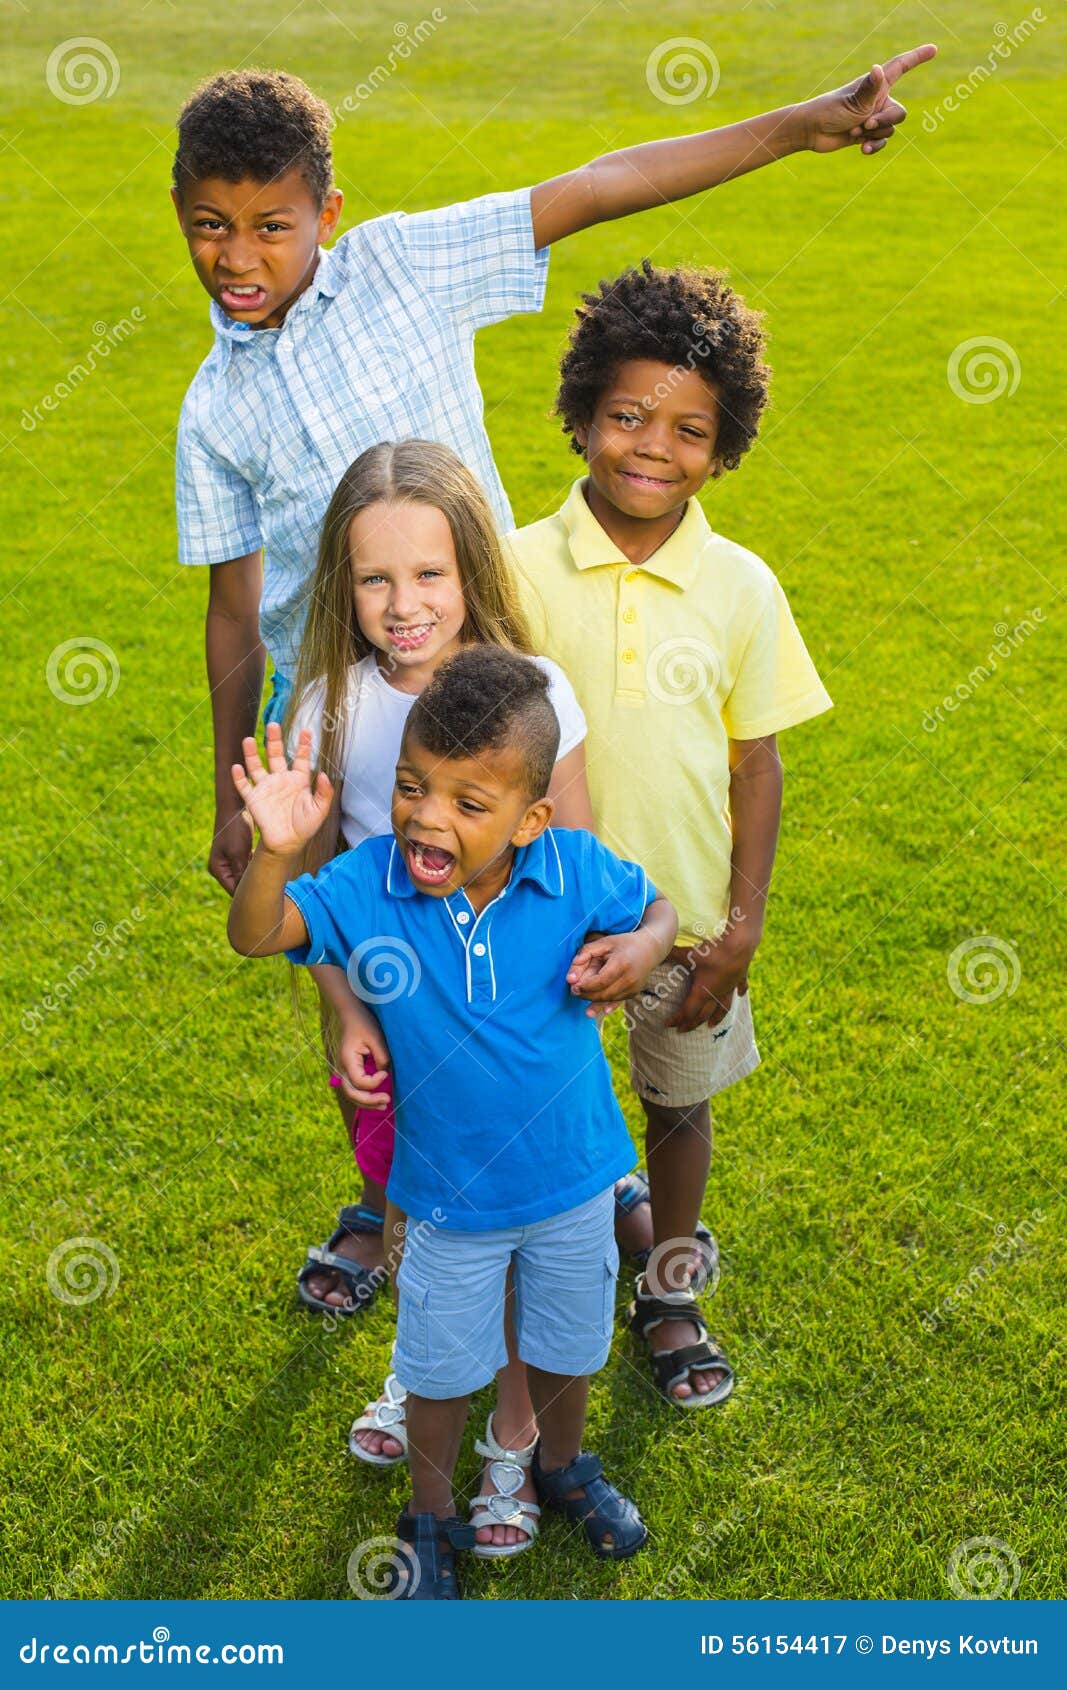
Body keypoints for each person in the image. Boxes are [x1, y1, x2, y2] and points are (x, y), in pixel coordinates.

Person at [172, 43, 933, 1267]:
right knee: (365, 964)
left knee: (508, 939)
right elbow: (230, 605)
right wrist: (230, 782)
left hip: (469, 684)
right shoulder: (211, 405)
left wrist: (798, 126)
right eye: (210, 227)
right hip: (330, 706)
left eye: (272, 225)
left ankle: (571, 1177)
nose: (239, 256)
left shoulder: (400, 264)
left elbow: (597, 183)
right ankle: (393, 1195)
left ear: (330, 213)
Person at [227, 648, 678, 1599]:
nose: (428, 818)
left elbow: (658, 908)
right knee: (437, 1371)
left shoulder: (571, 866)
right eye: (411, 787)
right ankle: (427, 1515)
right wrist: (275, 851)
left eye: (470, 806)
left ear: (531, 819)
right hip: (443, 1200)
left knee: (566, 1349)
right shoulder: (363, 882)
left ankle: (561, 1468)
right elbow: (259, 933)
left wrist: (640, 945)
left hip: (574, 1182)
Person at [508, 259, 833, 1410]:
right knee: (537, 1105)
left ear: (723, 445)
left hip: (688, 922)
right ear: (581, 415)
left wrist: (739, 926)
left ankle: (669, 1284)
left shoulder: (741, 586)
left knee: (679, 1105)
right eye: (627, 417)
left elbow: (756, 762)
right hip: (536, 918)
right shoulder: (513, 564)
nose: (652, 447)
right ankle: (553, 1267)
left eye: (688, 429)